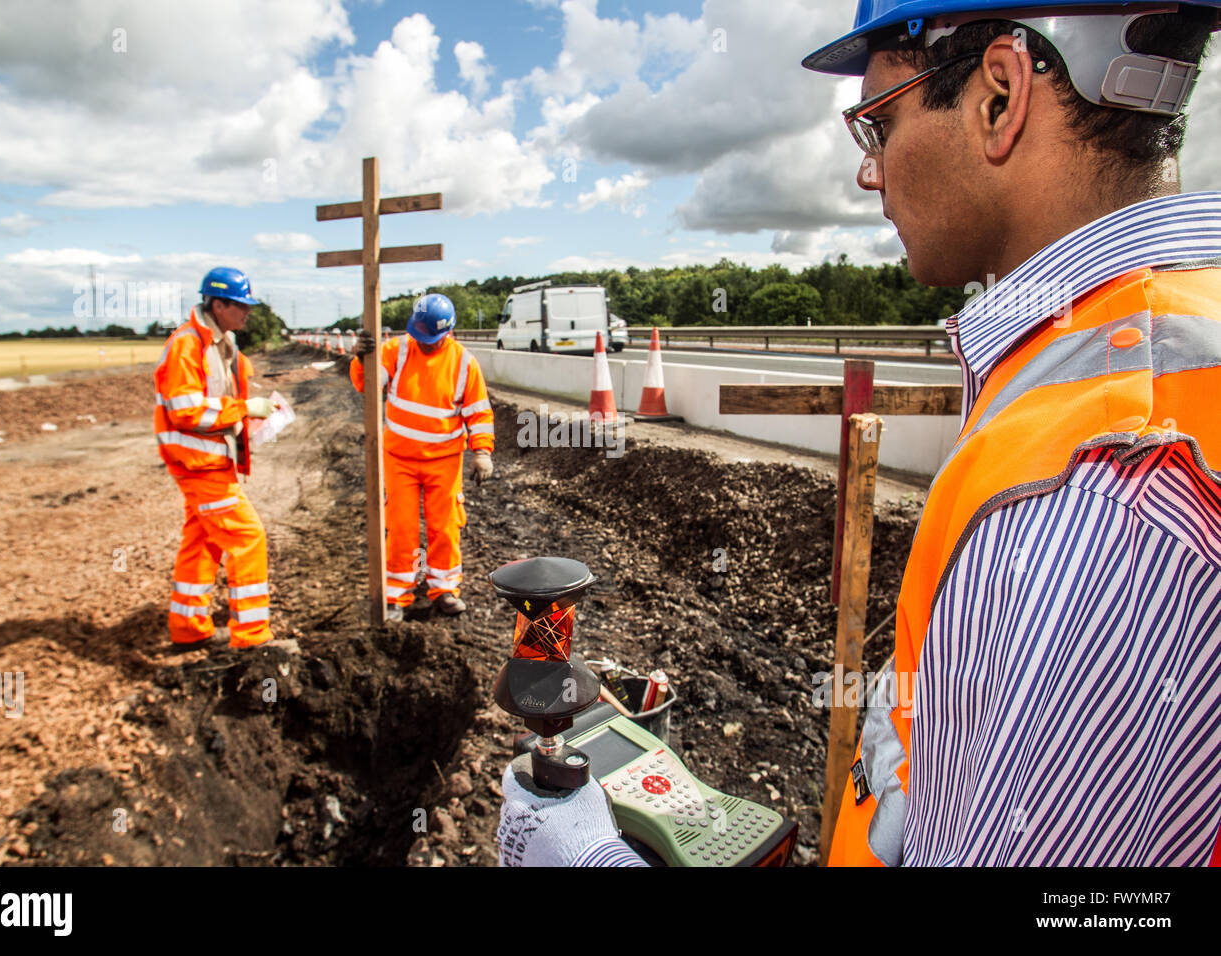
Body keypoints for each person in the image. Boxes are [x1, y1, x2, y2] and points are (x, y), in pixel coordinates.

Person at [497, 1, 1221, 867]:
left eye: (879, 123)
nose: (866, 178)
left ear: (999, 95)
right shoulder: (1158, 348)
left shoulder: (1098, 493)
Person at [154, 267, 278, 650]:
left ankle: (189, 630)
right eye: (240, 306)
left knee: (201, 541)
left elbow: (226, 385)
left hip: (208, 462)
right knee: (247, 536)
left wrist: (250, 412)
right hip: (199, 465)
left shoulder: (219, 342)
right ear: (217, 303)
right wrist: (241, 409)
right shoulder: (186, 345)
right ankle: (251, 638)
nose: (247, 313)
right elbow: (186, 410)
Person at [351, 293, 495, 622]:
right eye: (419, 336)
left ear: (447, 332)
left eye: (430, 339)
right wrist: (360, 359)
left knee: (444, 527)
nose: (423, 344)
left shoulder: (463, 362)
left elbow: (479, 412)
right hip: (399, 458)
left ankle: (443, 589)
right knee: (400, 527)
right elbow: (366, 385)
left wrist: (482, 452)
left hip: (444, 461)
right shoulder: (396, 349)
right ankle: (396, 594)